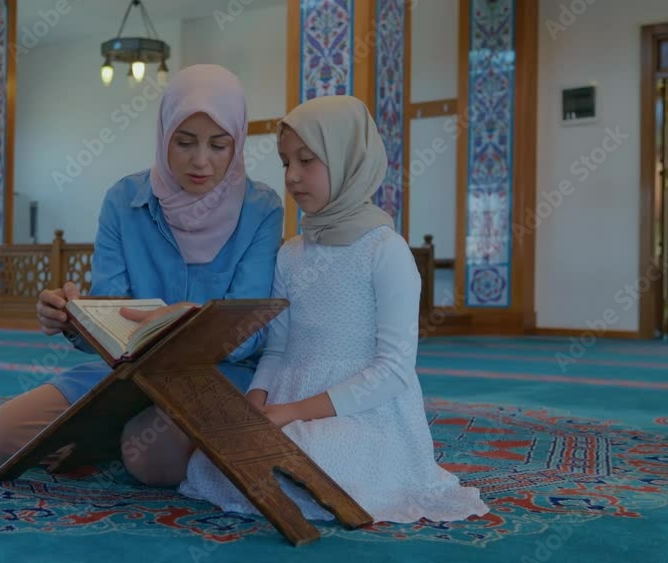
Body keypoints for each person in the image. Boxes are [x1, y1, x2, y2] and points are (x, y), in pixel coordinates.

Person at [178, 95, 490, 523]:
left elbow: (394, 370)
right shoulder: (291, 254)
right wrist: (255, 402)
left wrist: (291, 413)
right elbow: (277, 349)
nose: (292, 176)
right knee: (226, 454)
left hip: (363, 411)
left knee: (311, 456)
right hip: (290, 394)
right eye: (286, 162)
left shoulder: (385, 251)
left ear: (349, 160)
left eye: (308, 161)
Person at [0, 64, 284, 486]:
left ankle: (105, 435)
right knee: (3, 435)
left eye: (219, 146)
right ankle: (115, 430)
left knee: (151, 459)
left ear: (237, 143)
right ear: (164, 136)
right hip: (129, 375)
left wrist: (191, 322)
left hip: (213, 374)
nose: (202, 161)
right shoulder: (125, 201)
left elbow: (250, 329)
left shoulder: (262, 209)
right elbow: (111, 305)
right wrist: (72, 317)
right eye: (184, 143)